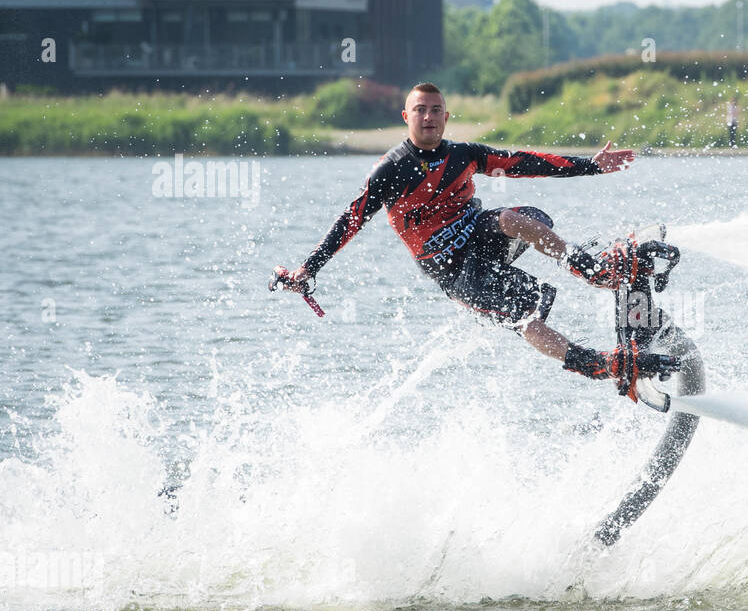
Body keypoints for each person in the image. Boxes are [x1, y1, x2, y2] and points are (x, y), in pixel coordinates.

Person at [276, 83, 676, 392]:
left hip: (480, 236)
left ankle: (595, 270)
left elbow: (523, 163)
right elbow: (351, 218)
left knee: (512, 217)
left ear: (446, 117)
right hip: (454, 273)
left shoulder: (463, 155)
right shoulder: (390, 171)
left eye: (436, 111)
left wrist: (590, 165)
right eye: (420, 110)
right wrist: (307, 269)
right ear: (406, 117)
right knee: (526, 316)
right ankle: (600, 364)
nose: (428, 117)